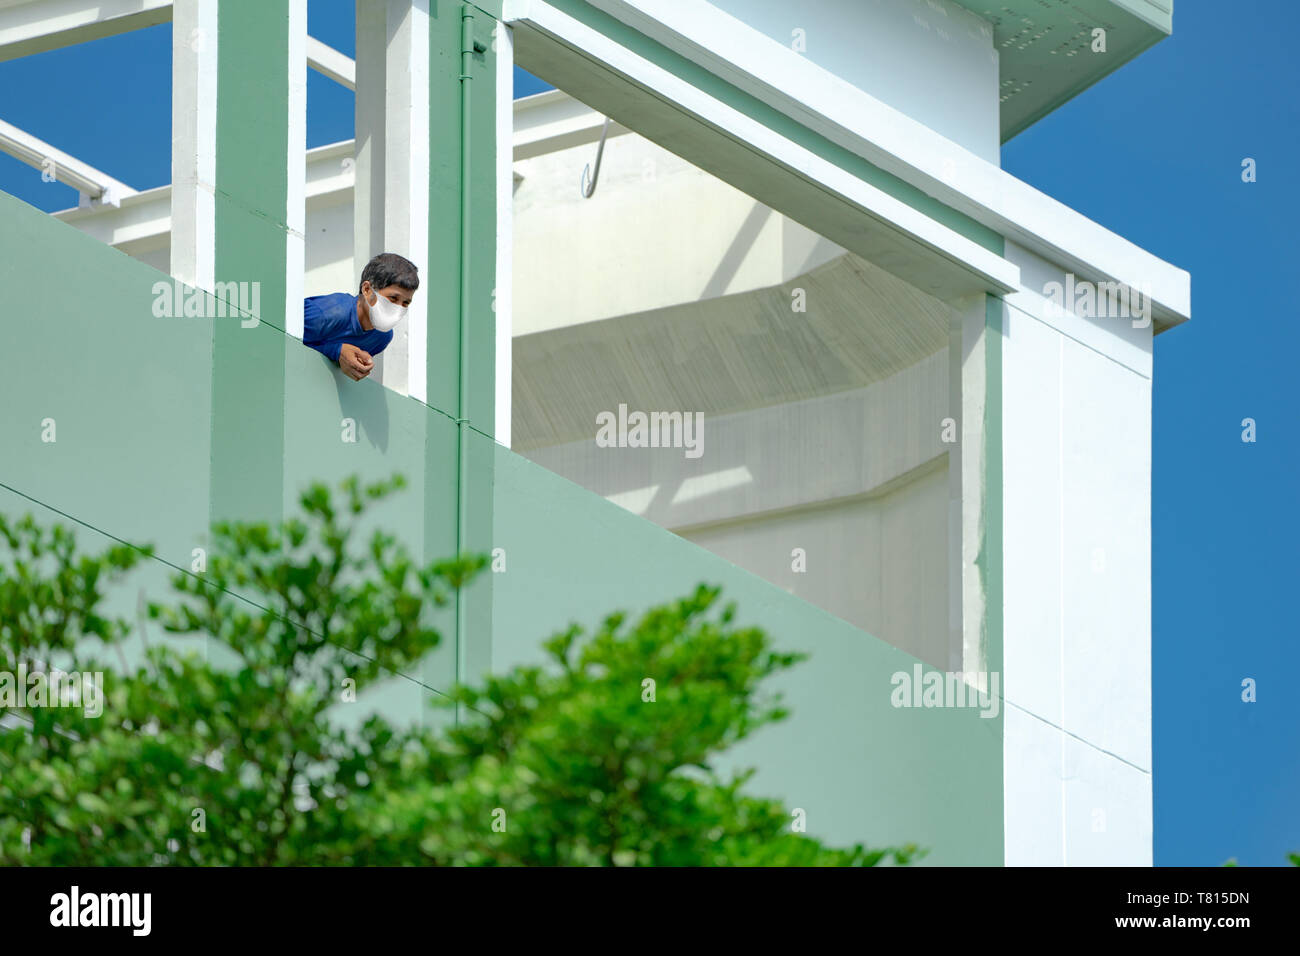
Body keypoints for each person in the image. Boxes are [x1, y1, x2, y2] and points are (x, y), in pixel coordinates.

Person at [303, 252, 419, 381]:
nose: (398, 308)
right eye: (393, 298)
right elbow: (283, 337)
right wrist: (337, 351)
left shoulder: (382, 337)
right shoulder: (328, 313)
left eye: (405, 303)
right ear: (367, 290)